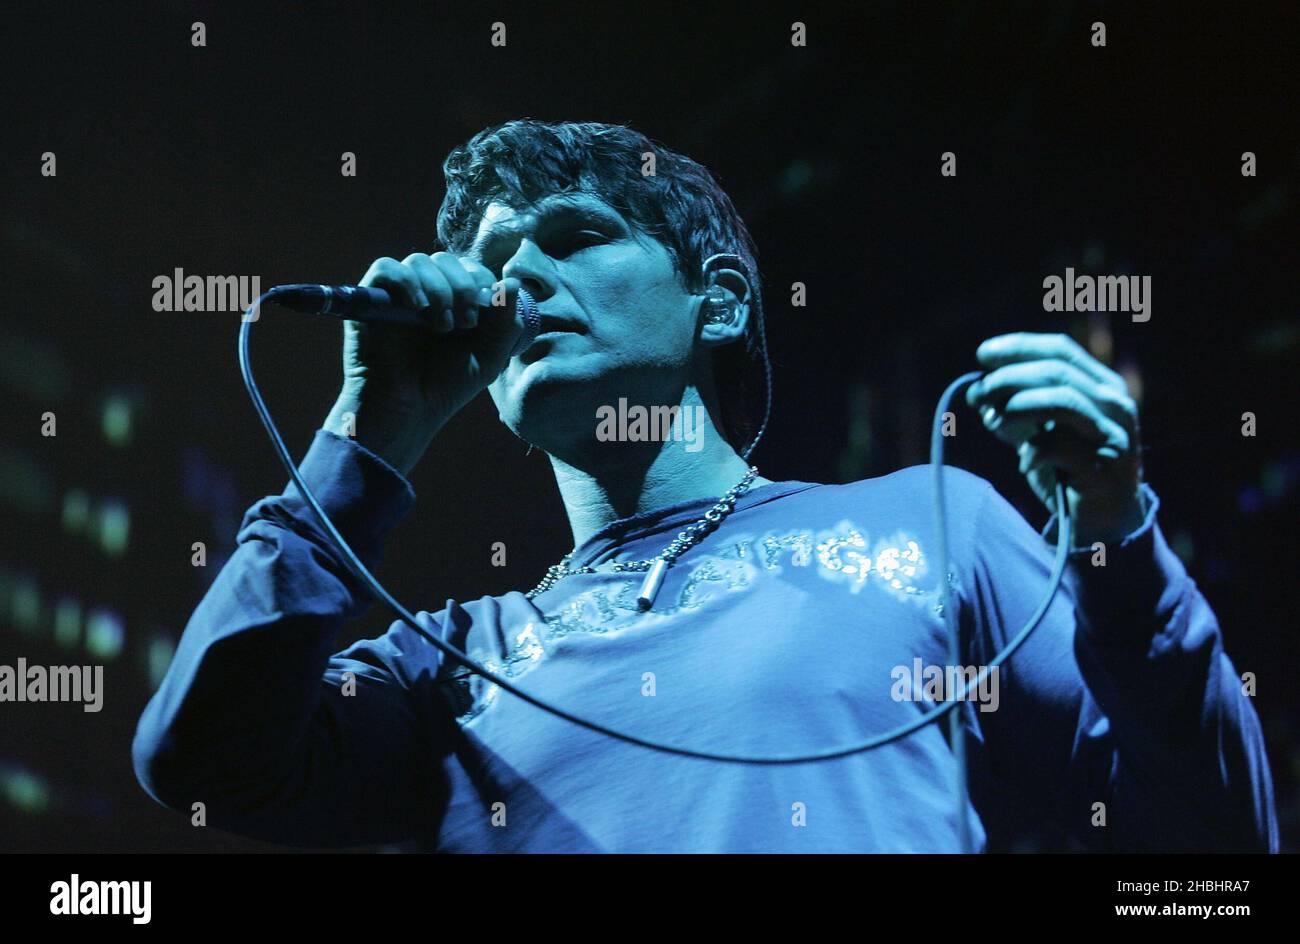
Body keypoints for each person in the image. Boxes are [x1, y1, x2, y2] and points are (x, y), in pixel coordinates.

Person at [132, 119, 1278, 852]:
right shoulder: (446, 659)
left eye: (573, 234)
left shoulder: (932, 525)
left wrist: (1118, 537)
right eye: (489, 259)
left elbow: (1213, 839)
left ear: (717, 302)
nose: (514, 271)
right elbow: (202, 762)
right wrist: (366, 434)